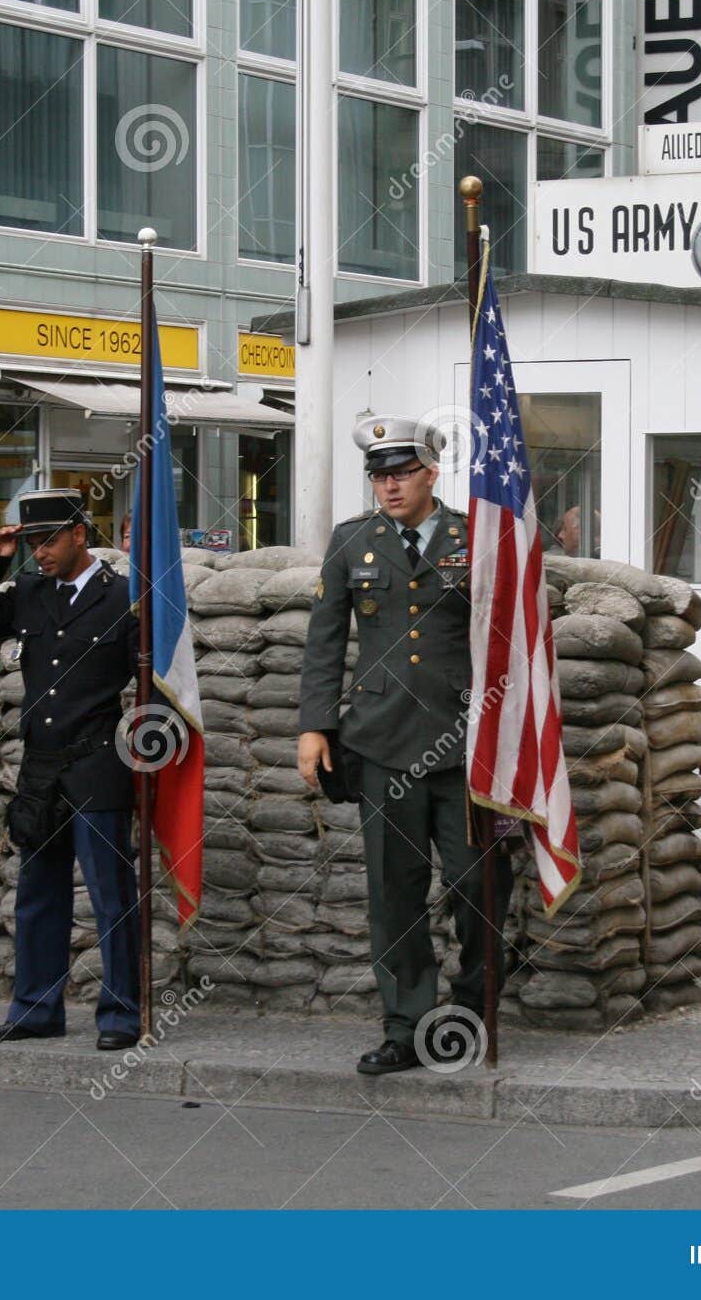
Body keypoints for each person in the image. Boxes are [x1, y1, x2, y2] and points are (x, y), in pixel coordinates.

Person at [298, 416, 513, 1075]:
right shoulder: (351, 542)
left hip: (464, 745)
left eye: (401, 473)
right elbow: (325, 639)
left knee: (479, 885)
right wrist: (314, 725)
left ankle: (474, 1010)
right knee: (395, 891)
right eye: (379, 475)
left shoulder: (475, 539)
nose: (389, 486)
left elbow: (509, 632)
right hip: (382, 742)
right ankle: (408, 1025)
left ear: (431, 473)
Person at [0, 489, 142, 1051]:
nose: (39, 552)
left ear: (81, 535)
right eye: (32, 542)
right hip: (41, 764)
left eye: (49, 541)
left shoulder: (123, 596)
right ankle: (36, 1007)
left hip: (97, 760)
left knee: (110, 895)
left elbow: (152, 677)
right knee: (37, 892)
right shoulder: (30, 591)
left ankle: (121, 1013)